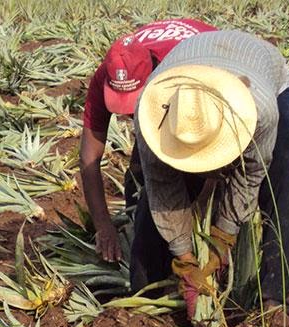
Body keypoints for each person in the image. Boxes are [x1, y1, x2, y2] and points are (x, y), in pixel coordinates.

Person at [132, 29, 289, 319]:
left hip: (261, 74)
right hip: (188, 74)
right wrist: (186, 261)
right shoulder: (150, 116)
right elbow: (162, 186)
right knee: (155, 197)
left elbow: (250, 175)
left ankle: (274, 298)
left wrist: (222, 240)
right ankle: (145, 298)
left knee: (282, 181)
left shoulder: (261, 111)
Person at [79, 19, 217, 263]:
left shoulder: (185, 69)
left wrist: (200, 215)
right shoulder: (103, 78)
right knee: (139, 184)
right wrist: (103, 225)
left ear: (154, 73)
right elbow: (89, 158)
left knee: (199, 173)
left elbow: (214, 150)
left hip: (212, 67)